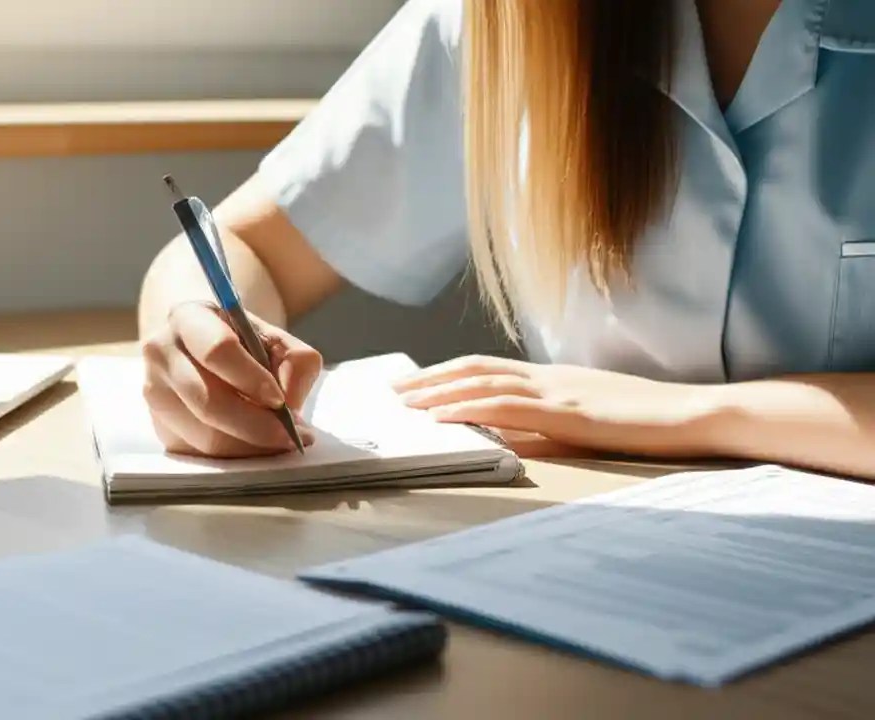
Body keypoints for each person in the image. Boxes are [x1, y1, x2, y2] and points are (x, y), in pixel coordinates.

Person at [136, 0, 875, 479]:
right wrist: (195, 336)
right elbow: (246, 245)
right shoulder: (507, 21)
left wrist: (684, 415)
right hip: (583, 553)